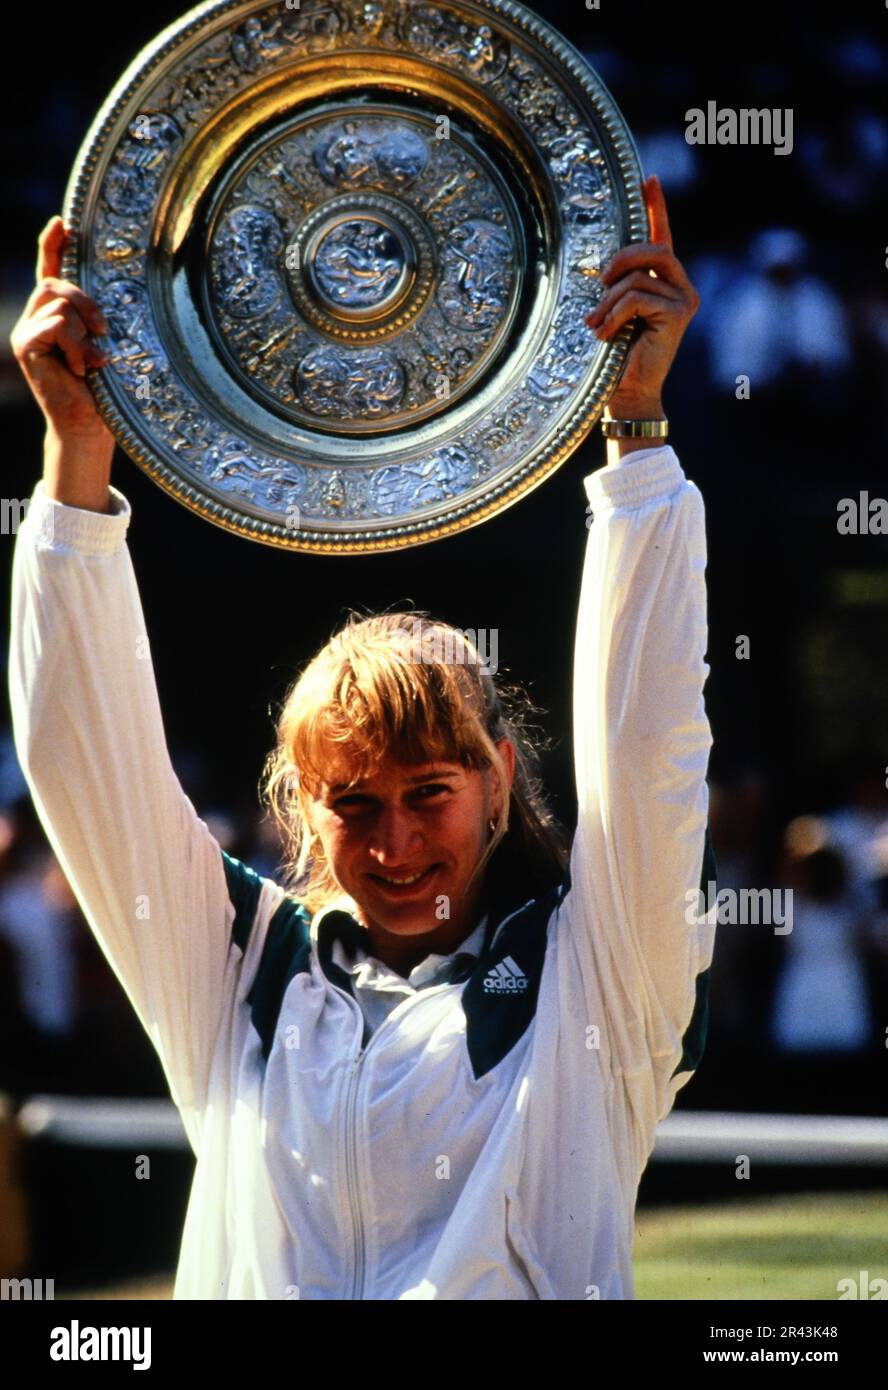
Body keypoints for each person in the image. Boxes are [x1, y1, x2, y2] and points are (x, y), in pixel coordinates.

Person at [8, 175, 714, 1299]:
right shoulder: (240, 972)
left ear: (500, 779)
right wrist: (76, 453)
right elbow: (83, 763)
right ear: (301, 806)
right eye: (352, 801)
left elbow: (653, 746)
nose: (394, 843)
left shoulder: (598, 977)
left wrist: (634, 433)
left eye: (429, 788)